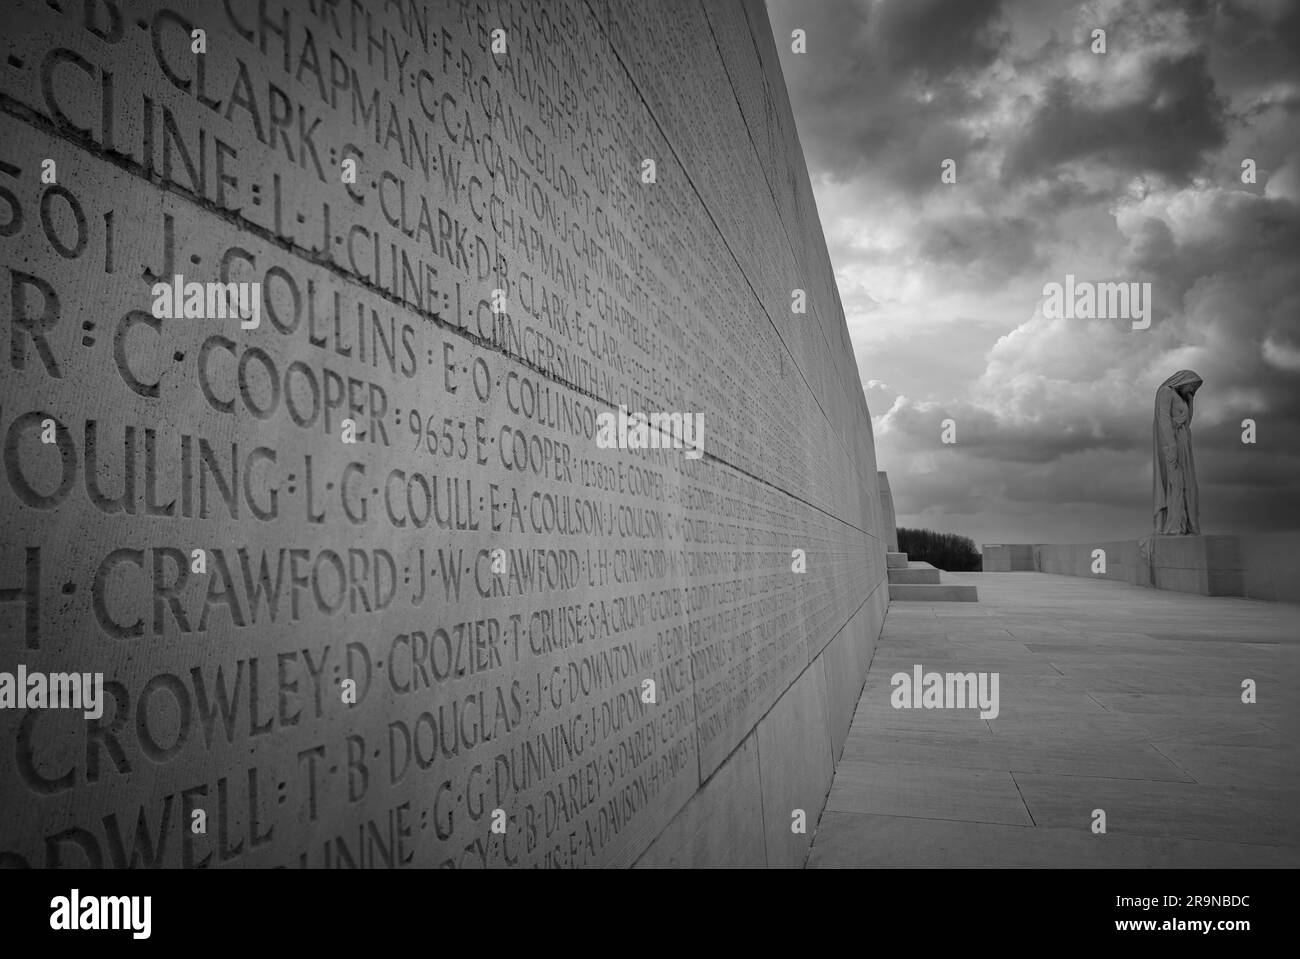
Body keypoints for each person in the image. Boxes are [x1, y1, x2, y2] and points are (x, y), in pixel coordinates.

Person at [1152, 370, 1203, 535]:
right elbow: (1164, 419)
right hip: (1173, 443)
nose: (1191, 390)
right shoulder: (1166, 392)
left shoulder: (1181, 397)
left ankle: (1188, 524)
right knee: (1177, 483)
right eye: (1191, 386)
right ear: (1183, 380)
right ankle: (1174, 525)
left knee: (1188, 483)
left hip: (1184, 442)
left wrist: (1191, 401)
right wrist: (1171, 446)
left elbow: (1187, 422)